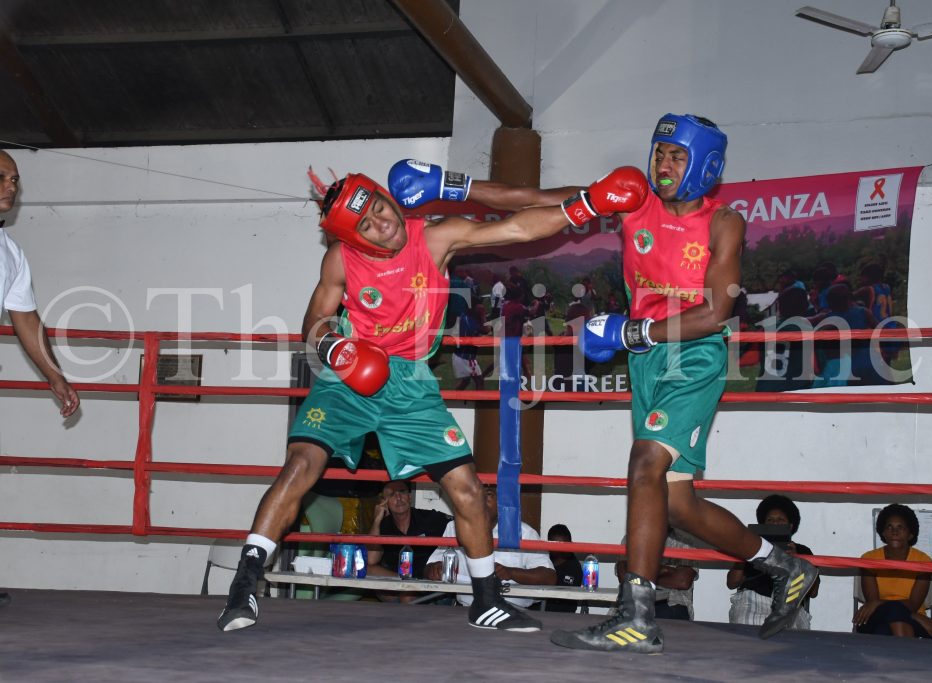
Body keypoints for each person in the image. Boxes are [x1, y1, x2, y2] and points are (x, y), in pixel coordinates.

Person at [392, 114, 819, 652]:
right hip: (646, 359)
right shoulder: (633, 199)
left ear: (706, 166)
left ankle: (637, 613)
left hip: (692, 355)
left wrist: (631, 330)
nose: (663, 166)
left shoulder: (723, 222)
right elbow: (535, 197)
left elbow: (715, 311)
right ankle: (784, 567)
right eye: (659, 153)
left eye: (677, 157)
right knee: (679, 504)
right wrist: (446, 186)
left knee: (644, 465)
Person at [216, 163, 648, 632]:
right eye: (369, 225)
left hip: (411, 382)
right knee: (302, 463)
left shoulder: (435, 238)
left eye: (382, 209)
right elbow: (315, 319)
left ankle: (485, 599)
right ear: (353, 238)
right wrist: (331, 345)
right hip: (350, 374)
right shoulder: (340, 260)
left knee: (464, 487)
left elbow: (517, 226)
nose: (385, 224)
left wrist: (585, 206)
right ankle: (245, 584)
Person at [0, 150, 81, 607]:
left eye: (16, 178)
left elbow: (26, 319)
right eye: (3, 177)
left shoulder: (10, 252)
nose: (13, 185)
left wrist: (55, 376)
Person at [423, 486, 556, 609]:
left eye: (487, 494)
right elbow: (428, 569)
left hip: (512, 611)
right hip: (465, 611)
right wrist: (434, 570)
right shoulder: (454, 528)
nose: (480, 500)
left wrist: (511, 573)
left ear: (501, 502)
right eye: (475, 495)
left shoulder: (523, 532)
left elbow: (549, 577)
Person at [726, 495, 819, 629]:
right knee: (748, 628)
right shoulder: (752, 547)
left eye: (780, 520)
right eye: (770, 520)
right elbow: (732, 583)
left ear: (790, 525)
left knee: (787, 635)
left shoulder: (802, 550)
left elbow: (814, 592)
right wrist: (743, 554)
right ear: (763, 525)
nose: (775, 523)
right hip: (752, 602)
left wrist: (798, 560)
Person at [853, 503, 932, 639]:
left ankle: (896, 659)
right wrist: (916, 616)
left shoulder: (923, 561)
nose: (894, 531)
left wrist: (879, 603)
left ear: (910, 534)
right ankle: (908, 657)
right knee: (889, 616)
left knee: (883, 631)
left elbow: (913, 605)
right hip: (877, 617)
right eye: (889, 527)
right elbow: (873, 604)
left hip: (911, 619)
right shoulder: (869, 559)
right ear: (883, 532)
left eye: (900, 527)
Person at [365, 479, 452, 603]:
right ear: (384, 502)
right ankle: (407, 590)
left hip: (426, 579)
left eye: (402, 492)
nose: (398, 497)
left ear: (410, 497)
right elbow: (371, 560)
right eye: (391, 494)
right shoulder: (383, 525)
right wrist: (377, 520)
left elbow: (458, 526)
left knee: (407, 596)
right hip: (399, 580)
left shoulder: (429, 518)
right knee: (368, 569)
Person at [616, 527, 699, 621]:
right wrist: (665, 570)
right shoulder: (632, 537)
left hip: (671, 603)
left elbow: (682, 581)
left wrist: (641, 574)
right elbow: (623, 576)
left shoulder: (685, 541)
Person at [543, 524, 583, 613]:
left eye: (563, 546)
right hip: (538, 609)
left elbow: (565, 598)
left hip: (562, 613)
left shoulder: (574, 567)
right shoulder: (542, 560)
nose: (559, 550)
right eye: (555, 546)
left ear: (570, 544)